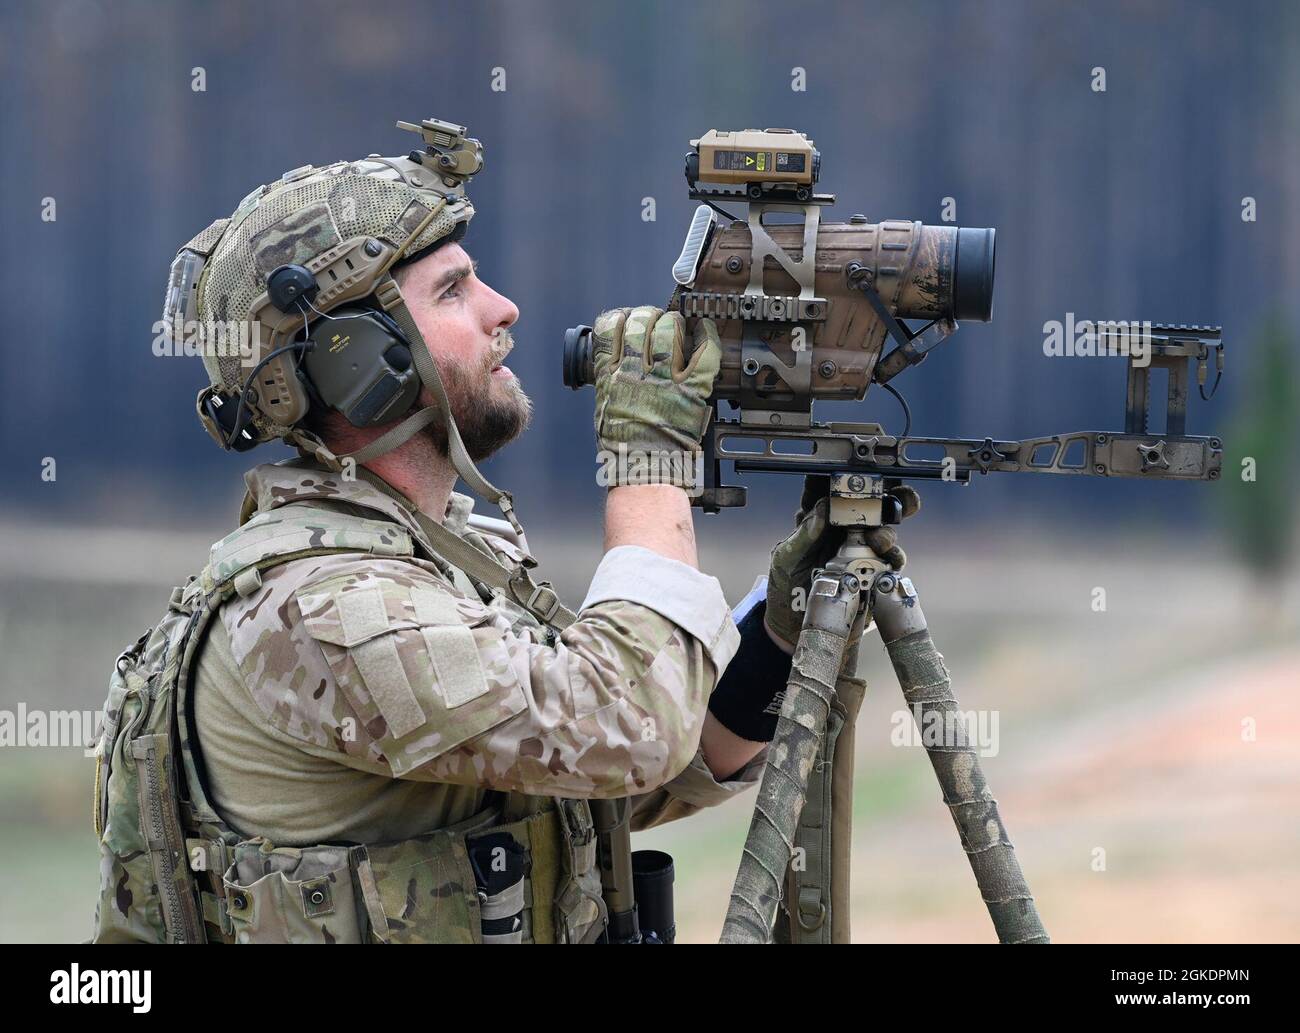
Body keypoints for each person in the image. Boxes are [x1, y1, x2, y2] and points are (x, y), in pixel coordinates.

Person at [91, 117, 856, 944]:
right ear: (359, 363)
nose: (503, 309)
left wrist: (781, 629)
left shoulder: (450, 555)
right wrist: (648, 467)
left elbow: (593, 775)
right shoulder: (323, 609)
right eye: (453, 291)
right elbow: (630, 727)